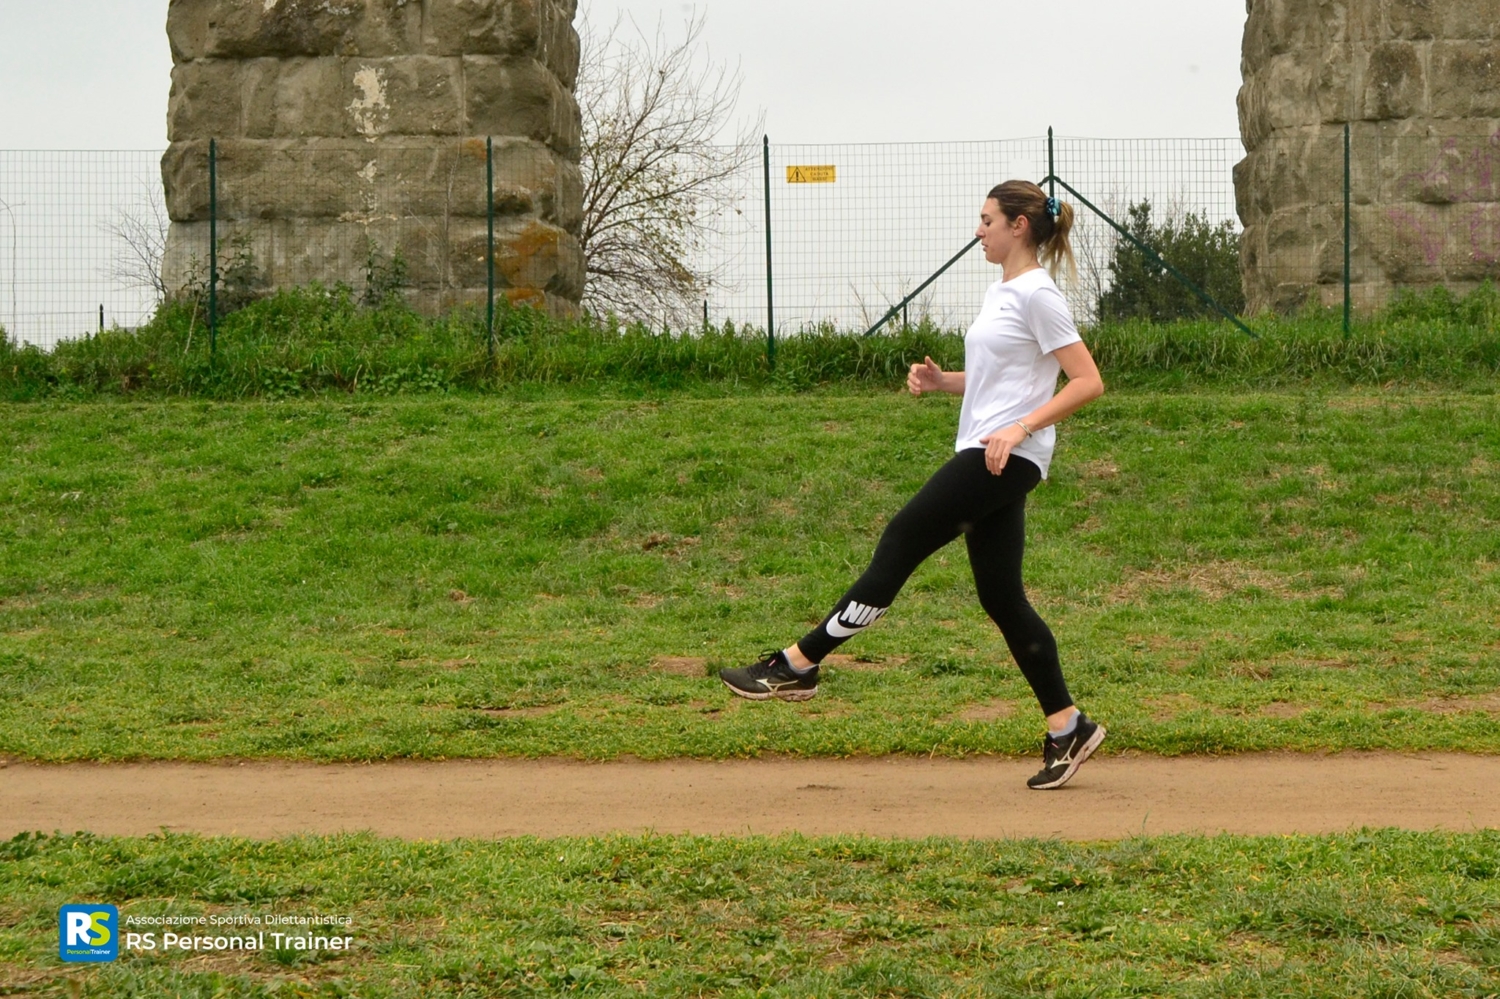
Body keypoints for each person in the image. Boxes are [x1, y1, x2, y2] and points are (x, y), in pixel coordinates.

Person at [719, 180, 1107, 790]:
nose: (978, 230)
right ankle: (1069, 726)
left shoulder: (1037, 294)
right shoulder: (1002, 290)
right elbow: (1000, 379)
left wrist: (1021, 427)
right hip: (993, 452)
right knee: (1002, 598)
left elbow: (1087, 381)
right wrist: (944, 381)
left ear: (1018, 228)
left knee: (900, 541)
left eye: (986, 220)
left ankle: (798, 664)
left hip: (1002, 455)